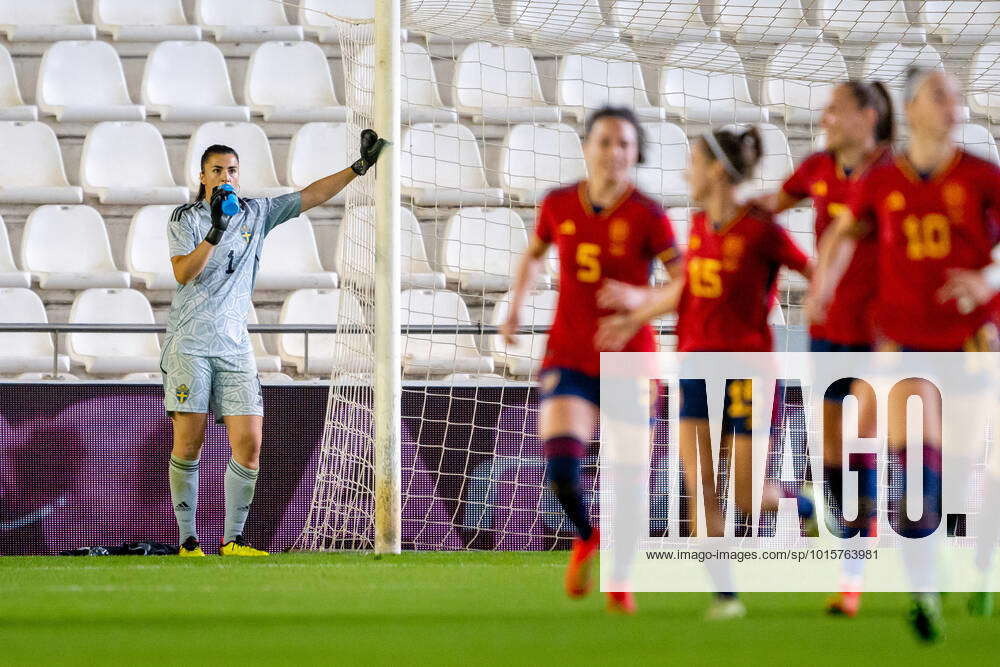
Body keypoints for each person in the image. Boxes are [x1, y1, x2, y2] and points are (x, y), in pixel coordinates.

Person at [596, 126, 814, 620]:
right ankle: (726, 597)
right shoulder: (697, 225)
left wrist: (826, 299)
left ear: (716, 169)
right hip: (695, 366)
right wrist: (636, 313)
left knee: (744, 494)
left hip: (747, 372)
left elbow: (810, 269)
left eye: (692, 161)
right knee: (699, 488)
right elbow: (686, 286)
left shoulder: (760, 228)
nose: (685, 172)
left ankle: (800, 507)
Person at [818, 67, 1000, 641]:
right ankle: (923, 595)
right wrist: (822, 282)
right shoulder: (883, 179)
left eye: (956, 95)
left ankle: (978, 563)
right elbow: (841, 233)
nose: (954, 103)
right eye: (940, 94)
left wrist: (989, 280)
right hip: (902, 345)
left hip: (969, 342)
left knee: (961, 468)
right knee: (918, 463)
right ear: (914, 107)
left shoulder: (980, 175)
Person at [165, 130, 385, 557]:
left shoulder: (256, 213)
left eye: (232, 170)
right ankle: (188, 542)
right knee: (189, 444)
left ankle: (233, 541)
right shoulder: (185, 218)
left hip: (234, 345)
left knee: (250, 443)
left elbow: (310, 195)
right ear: (203, 176)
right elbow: (182, 274)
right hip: (189, 342)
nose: (225, 176)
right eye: (217, 170)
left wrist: (359, 167)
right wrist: (215, 230)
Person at [500, 106, 681, 613]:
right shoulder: (558, 203)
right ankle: (587, 536)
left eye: (623, 144)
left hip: (632, 357)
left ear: (635, 153)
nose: (613, 153)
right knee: (560, 468)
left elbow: (687, 282)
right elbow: (534, 255)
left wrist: (637, 296)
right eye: (604, 142)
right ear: (587, 148)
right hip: (570, 352)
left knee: (627, 475)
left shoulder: (648, 213)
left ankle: (621, 581)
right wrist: (515, 306)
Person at [762, 80, 895, 617]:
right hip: (828, 328)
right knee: (835, 455)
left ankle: (854, 576)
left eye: (836, 109)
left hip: (884, 330)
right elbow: (773, 205)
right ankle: (860, 539)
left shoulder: (894, 175)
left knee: (865, 438)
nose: (826, 117)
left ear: (867, 116)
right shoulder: (817, 168)